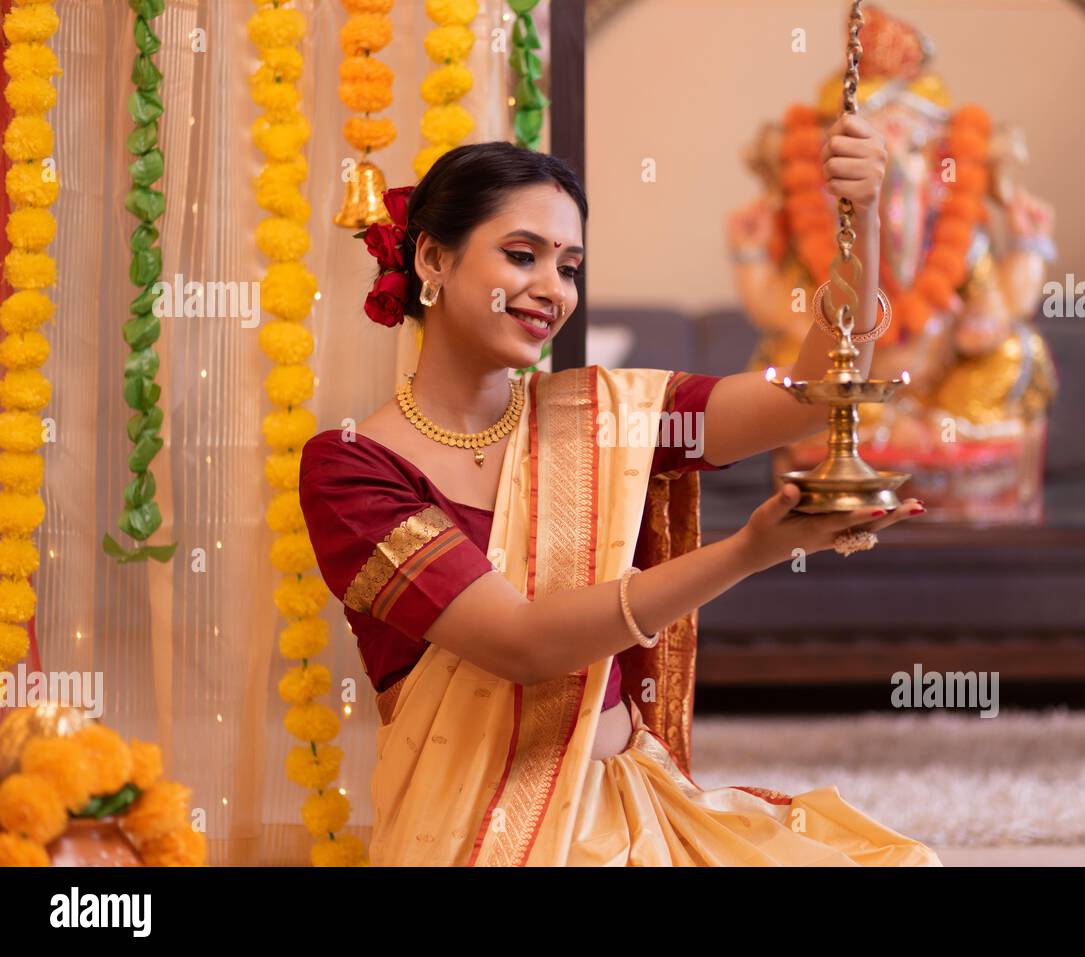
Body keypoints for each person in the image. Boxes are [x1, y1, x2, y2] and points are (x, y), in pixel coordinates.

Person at [298, 132, 940, 866]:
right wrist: (751, 552)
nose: (553, 289)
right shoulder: (351, 469)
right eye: (522, 254)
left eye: (569, 267)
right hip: (474, 834)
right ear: (433, 259)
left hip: (633, 806)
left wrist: (866, 218)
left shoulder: (602, 414)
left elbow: (805, 400)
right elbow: (523, 644)